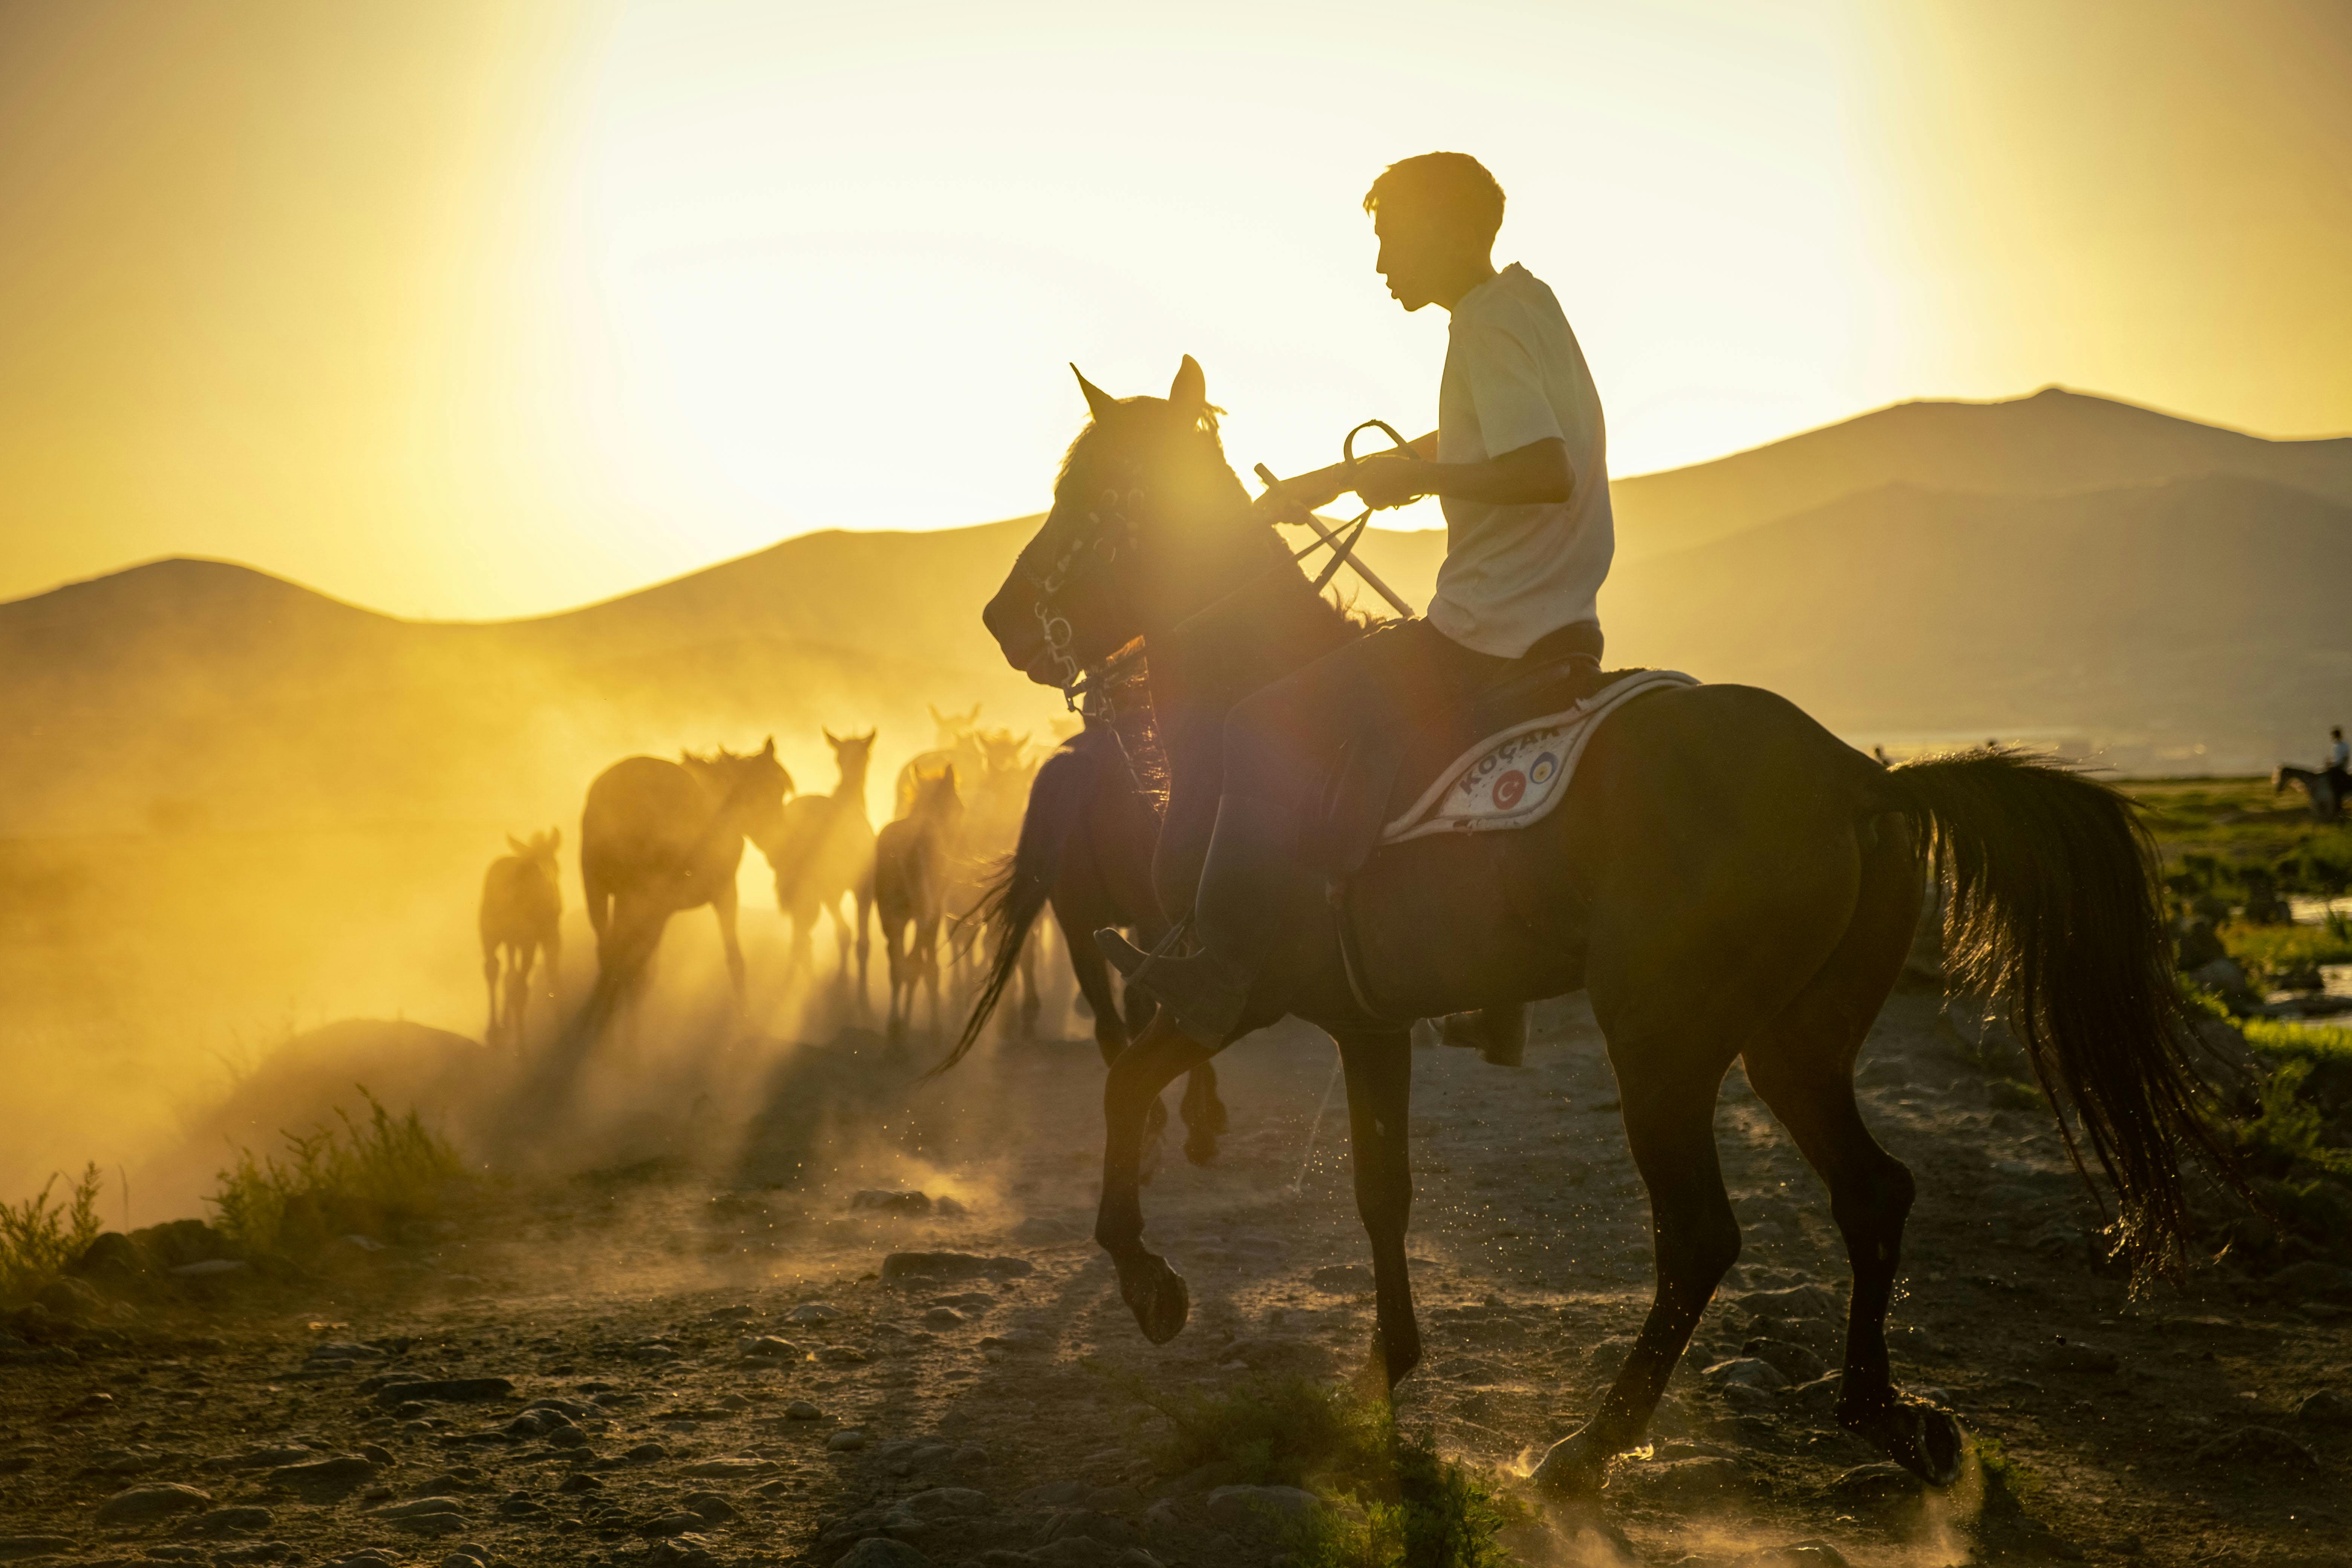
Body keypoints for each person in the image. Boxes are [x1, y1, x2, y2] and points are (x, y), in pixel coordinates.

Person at [1099, 151, 1614, 1046]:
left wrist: (1401, 471)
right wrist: (1344, 477)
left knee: (1258, 725)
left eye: (1392, 240)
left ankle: (1217, 968)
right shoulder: (1528, 304)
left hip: (1486, 633)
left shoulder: (1482, 328)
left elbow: (1543, 468)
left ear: (1449, 230)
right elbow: (1486, 436)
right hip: (1564, 621)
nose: (1382, 265)